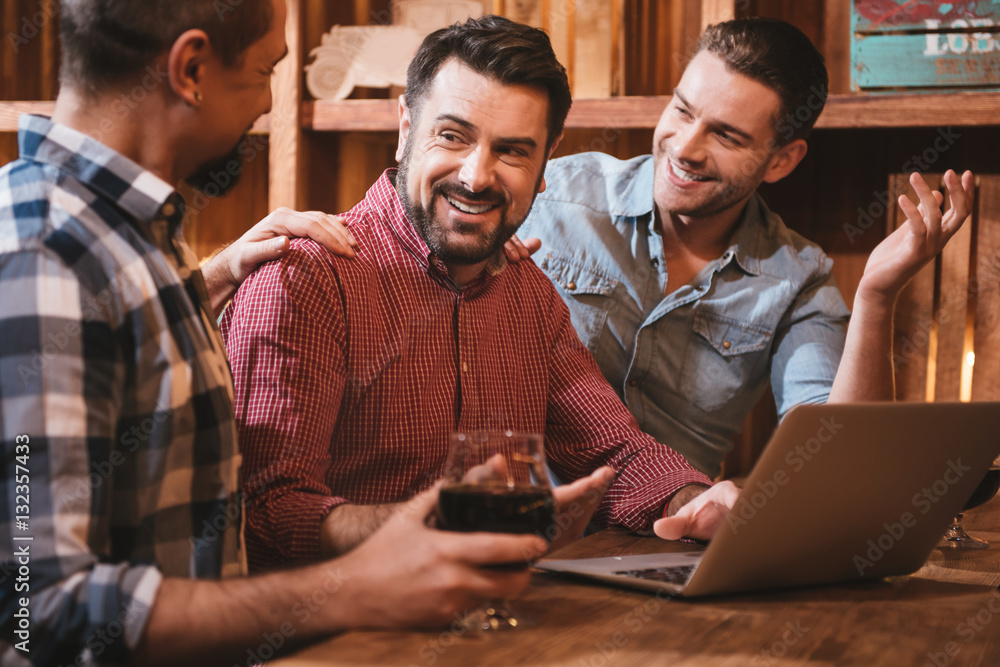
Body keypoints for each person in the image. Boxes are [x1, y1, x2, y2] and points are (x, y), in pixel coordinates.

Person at [0, 3, 563, 666]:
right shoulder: (45, 256)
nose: (269, 102)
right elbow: (34, 609)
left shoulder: (119, 242)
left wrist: (195, 287)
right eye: (267, 68)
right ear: (191, 69)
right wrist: (354, 588)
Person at [221, 15, 740, 573]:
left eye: (513, 151)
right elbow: (265, 513)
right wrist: (434, 522)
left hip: (497, 626)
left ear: (546, 162)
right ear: (405, 128)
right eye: (453, 136)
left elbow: (613, 452)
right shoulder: (301, 276)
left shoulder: (528, 293)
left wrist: (698, 501)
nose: (476, 176)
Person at [509, 17, 974, 477]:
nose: (686, 148)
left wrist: (877, 294)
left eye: (726, 135)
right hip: (519, 522)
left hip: (671, 538)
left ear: (781, 160)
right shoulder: (552, 195)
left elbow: (841, 461)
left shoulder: (797, 279)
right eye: (683, 111)